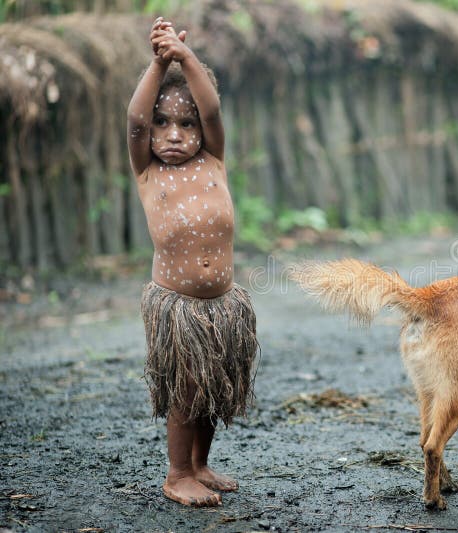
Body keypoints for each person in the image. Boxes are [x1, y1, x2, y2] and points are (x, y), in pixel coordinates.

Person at [127, 17, 259, 507]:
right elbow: (136, 120)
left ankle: (200, 464)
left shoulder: (214, 158)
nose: (175, 133)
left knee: (212, 388)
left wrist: (186, 58)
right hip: (178, 307)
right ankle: (177, 472)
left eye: (187, 124)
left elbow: (213, 105)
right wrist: (160, 62)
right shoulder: (147, 171)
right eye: (164, 123)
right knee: (186, 388)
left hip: (223, 303)